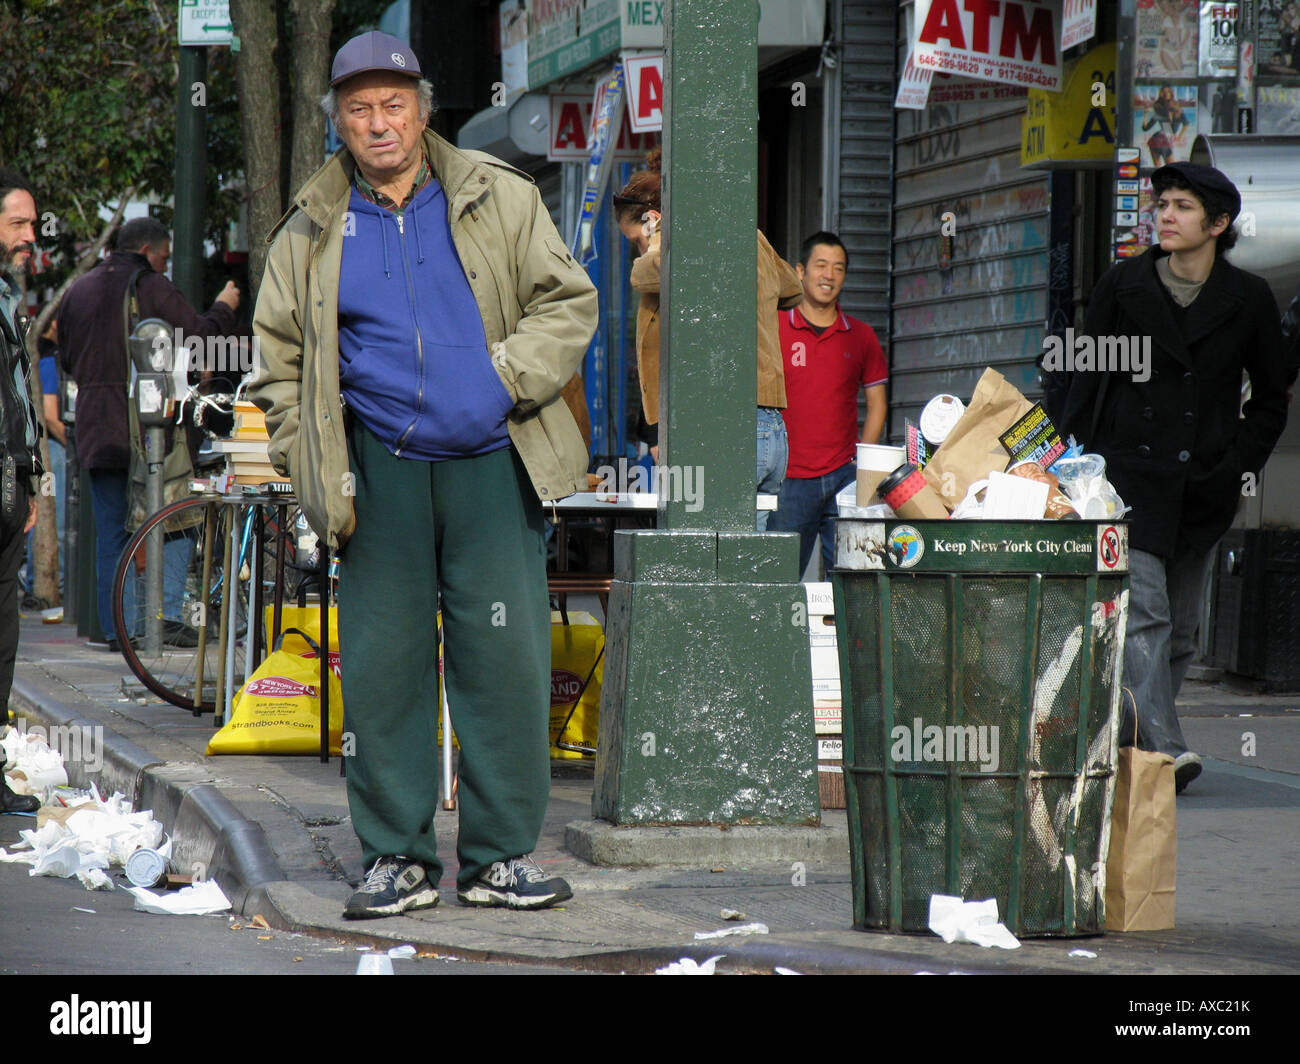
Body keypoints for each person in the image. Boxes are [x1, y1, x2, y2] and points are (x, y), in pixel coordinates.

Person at [249, 31, 595, 919]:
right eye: (359, 109)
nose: (378, 124)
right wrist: (308, 454)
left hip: (492, 463)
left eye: (392, 105)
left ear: (423, 109)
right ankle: (396, 856)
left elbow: (569, 300)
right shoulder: (309, 227)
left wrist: (502, 379)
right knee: (382, 671)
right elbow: (278, 360)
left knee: (506, 664)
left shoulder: (499, 194)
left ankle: (497, 858)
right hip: (380, 476)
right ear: (339, 121)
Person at [1061, 163, 1290, 795]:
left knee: (1182, 632)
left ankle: (1129, 739)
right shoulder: (1125, 284)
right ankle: (1166, 749)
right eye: (1162, 203)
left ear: (1217, 225)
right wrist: (1064, 462)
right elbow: (1084, 377)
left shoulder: (1247, 299)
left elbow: (1271, 399)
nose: (1164, 214)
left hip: (1206, 485)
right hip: (1126, 476)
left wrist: (1237, 463)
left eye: (1182, 206)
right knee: (1147, 617)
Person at [57, 216, 239, 651]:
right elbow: (202, 340)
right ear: (147, 252)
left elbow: (65, 357)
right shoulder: (150, 285)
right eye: (164, 257)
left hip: (95, 429)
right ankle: (167, 619)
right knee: (175, 519)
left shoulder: (77, 291)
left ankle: (114, 628)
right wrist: (224, 307)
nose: (165, 265)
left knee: (112, 531)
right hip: (145, 429)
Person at [613, 148, 802, 529]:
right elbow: (792, 287)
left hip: (733, 425)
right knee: (743, 569)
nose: (638, 248)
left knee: (712, 563)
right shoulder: (747, 236)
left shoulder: (686, 245)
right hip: (769, 427)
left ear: (653, 219)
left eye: (636, 238)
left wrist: (656, 239)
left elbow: (645, 273)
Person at [769, 232, 888, 577]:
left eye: (838, 268)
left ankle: (847, 635)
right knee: (780, 578)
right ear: (800, 271)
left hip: (844, 477)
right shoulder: (775, 327)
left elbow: (877, 403)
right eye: (821, 266)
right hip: (787, 477)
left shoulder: (862, 336)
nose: (829, 275)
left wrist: (865, 466)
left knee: (850, 578)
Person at [0, 168, 43, 814]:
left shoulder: (10, 298)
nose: (30, 237)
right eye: (18, 225)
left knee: (3, 632)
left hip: (10, 489)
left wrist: (31, 480)